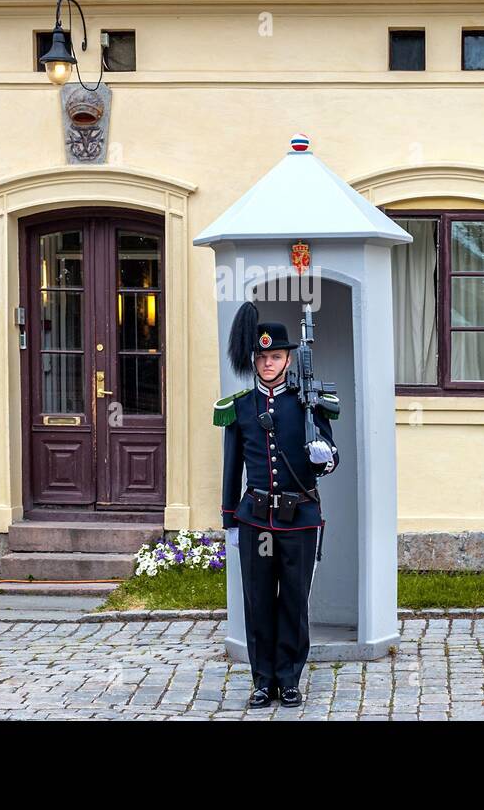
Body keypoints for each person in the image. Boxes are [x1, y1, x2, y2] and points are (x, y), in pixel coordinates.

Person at [214, 300, 339, 709]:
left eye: (276, 356)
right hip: (257, 522)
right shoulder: (241, 407)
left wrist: (326, 456)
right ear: (254, 359)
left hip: (300, 519)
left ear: (288, 359)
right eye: (262, 356)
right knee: (258, 601)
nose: (268, 363)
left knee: (293, 602)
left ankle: (289, 678)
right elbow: (233, 466)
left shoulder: (310, 402)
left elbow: (330, 456)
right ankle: (262, 680)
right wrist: (230, 518)